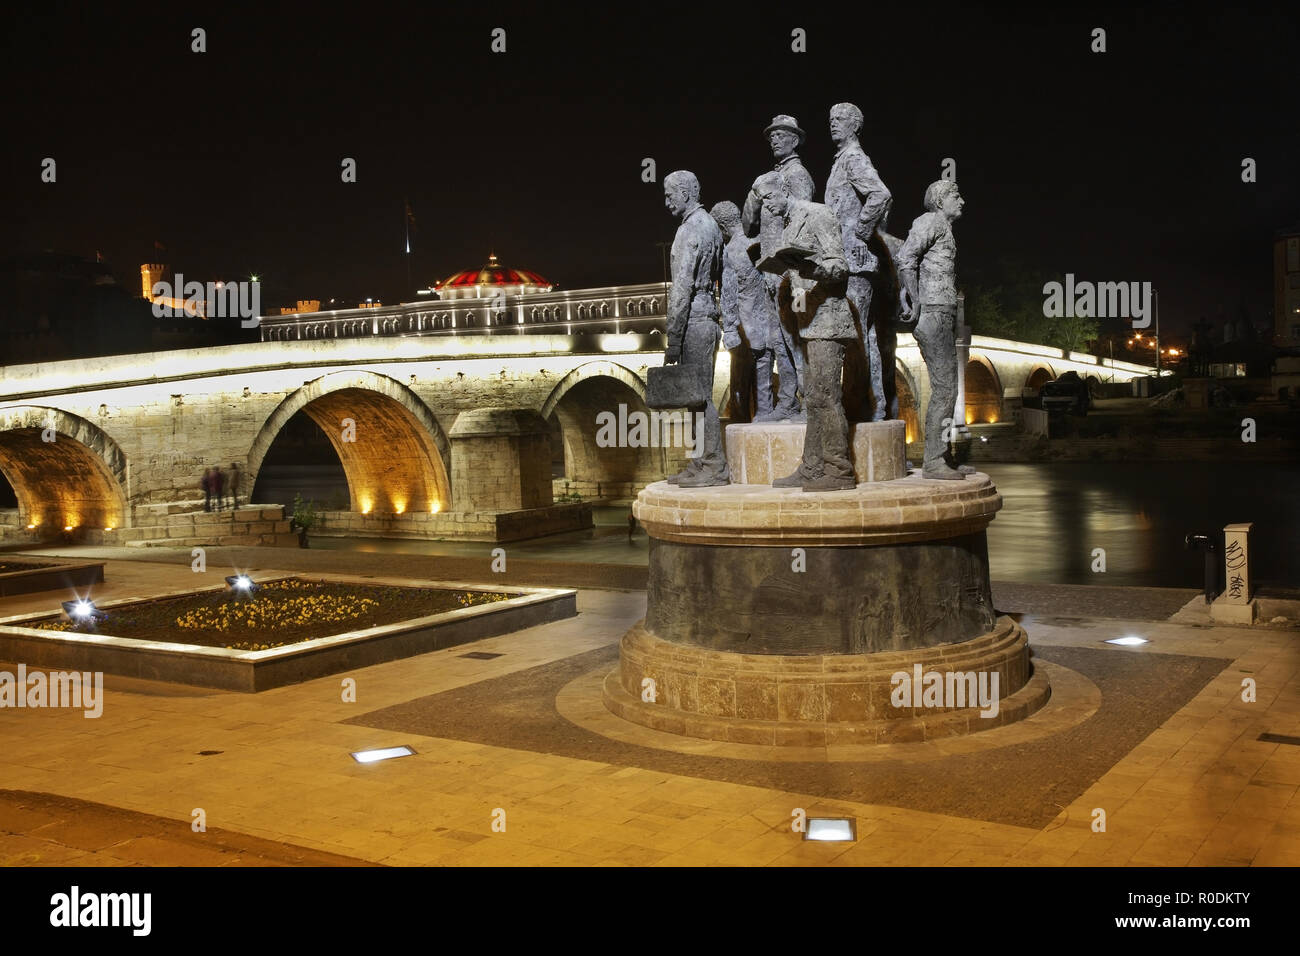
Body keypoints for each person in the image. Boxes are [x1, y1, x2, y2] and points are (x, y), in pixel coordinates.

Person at [760, 189, 856, 492]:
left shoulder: (819, 214)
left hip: (828, 321)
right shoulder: (790, 224)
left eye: (768, 198)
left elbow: (840, 266)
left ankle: (839, 470)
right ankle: (812, 467)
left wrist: (811, 269)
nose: (766, 206)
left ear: (783, 190)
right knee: (814, 398)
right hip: (809, 324)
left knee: (827, 396)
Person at [742, 115, 815, 420]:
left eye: (780, 135)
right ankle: (788, 400)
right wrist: (756, 194)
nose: (773, 139)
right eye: (771, 135)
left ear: (794, 140)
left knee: (798, 333)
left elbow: (805, 219)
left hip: (794, 274)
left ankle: (809, 399)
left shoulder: (798, 175)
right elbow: (748, 226)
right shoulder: (767, 179)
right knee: (778, 337)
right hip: (772, 273)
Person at [825, 102, 893, 422]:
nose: (833, 124)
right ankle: (873, 403)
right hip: (845, 262)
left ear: (854, 125)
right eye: (831, 120)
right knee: (858, 334)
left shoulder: (853, 158)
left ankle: (864, 406)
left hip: (854, 262)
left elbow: (880, 195)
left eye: (840, 120)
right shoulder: (842, 159)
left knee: (854, 335)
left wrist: (859, 234)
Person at [662, 170, 730, 487]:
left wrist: (673, 338)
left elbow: (681, 288)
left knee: (700, 397)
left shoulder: (691, 229)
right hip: (707, 315)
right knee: (694, 396)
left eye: (670, 194)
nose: (666, 201)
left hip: (695, 319)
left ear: (687, 192)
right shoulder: (711, 225)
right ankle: (699, 461)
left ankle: (714, 466)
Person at [895, 180, 967, 479]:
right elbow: (905, 257)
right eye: (956, 195)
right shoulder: (930, 221)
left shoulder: (944, 227)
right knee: (945, 388)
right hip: (934, 314)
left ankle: (943, 456)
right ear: (940, 201)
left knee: (948, 387)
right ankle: (935, 460)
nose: (962, 201)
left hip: (944, 313)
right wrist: (913, 298)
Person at [711, 200, 794, 422]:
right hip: (769, 316)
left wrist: (728, 327)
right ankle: (767, 410)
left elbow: (728, 293)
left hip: (745, 322)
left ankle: (746, 417)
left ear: (721, 226)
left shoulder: (729, 251)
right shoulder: (759, 240)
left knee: (743, 377)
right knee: (767, 362)